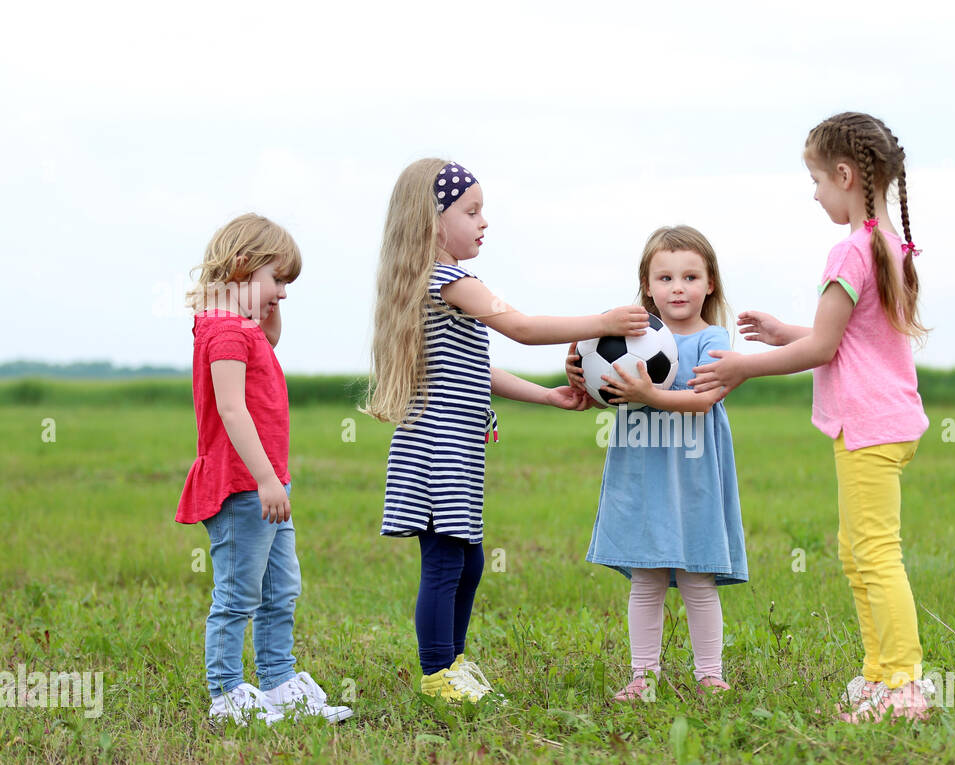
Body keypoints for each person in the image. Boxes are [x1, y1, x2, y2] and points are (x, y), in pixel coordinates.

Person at [365, 158, 649, 704]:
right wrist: (603, 322)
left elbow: (478, 370)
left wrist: (546, 396)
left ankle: (453, 661)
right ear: (432, 219)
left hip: (453, 448)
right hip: (439, 450)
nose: (483, 223)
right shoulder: (452, 280)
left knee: (467, 558)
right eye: (471, 212)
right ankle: (436, 673)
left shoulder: (432, 284)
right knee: (447, 560)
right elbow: (519, 327)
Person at [690, 112, 936, 723]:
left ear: (846, 175)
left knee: (875, 554)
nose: (816, 193)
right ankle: (879, 674)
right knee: (857, 551)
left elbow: (825, 348)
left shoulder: (850, 251)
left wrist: (746, 365)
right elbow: (855, 339)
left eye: (817, 181)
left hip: (868, 425)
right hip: (885, 420)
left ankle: (904, 686)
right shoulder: (888, 246)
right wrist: (782, 334)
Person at [177, 213, 352, 726]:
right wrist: (267, 479)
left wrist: (268, 306)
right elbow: (232, 410)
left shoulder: (240, 329)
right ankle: (227, 693)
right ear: (241, 267)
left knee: (281, 589)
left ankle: (279, 683)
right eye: (277, 280)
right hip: (243, 486)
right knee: (237, 594)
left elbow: (268, 343)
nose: (283, 292)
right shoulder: (225, 335)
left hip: (266, 483)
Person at [567, 225, 747, 701]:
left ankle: (710, 674)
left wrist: (652, 393)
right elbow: (611, 393)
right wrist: (584, 374)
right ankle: (643, 676)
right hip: (642, 474)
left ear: (710, 284)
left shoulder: (713, 338)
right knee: (645, 578)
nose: (678, 287)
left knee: (696, 578)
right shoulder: (629, 334)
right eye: (665, 278)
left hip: (692, 477)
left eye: (690, 276)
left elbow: (704, 401)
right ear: (647, 286)